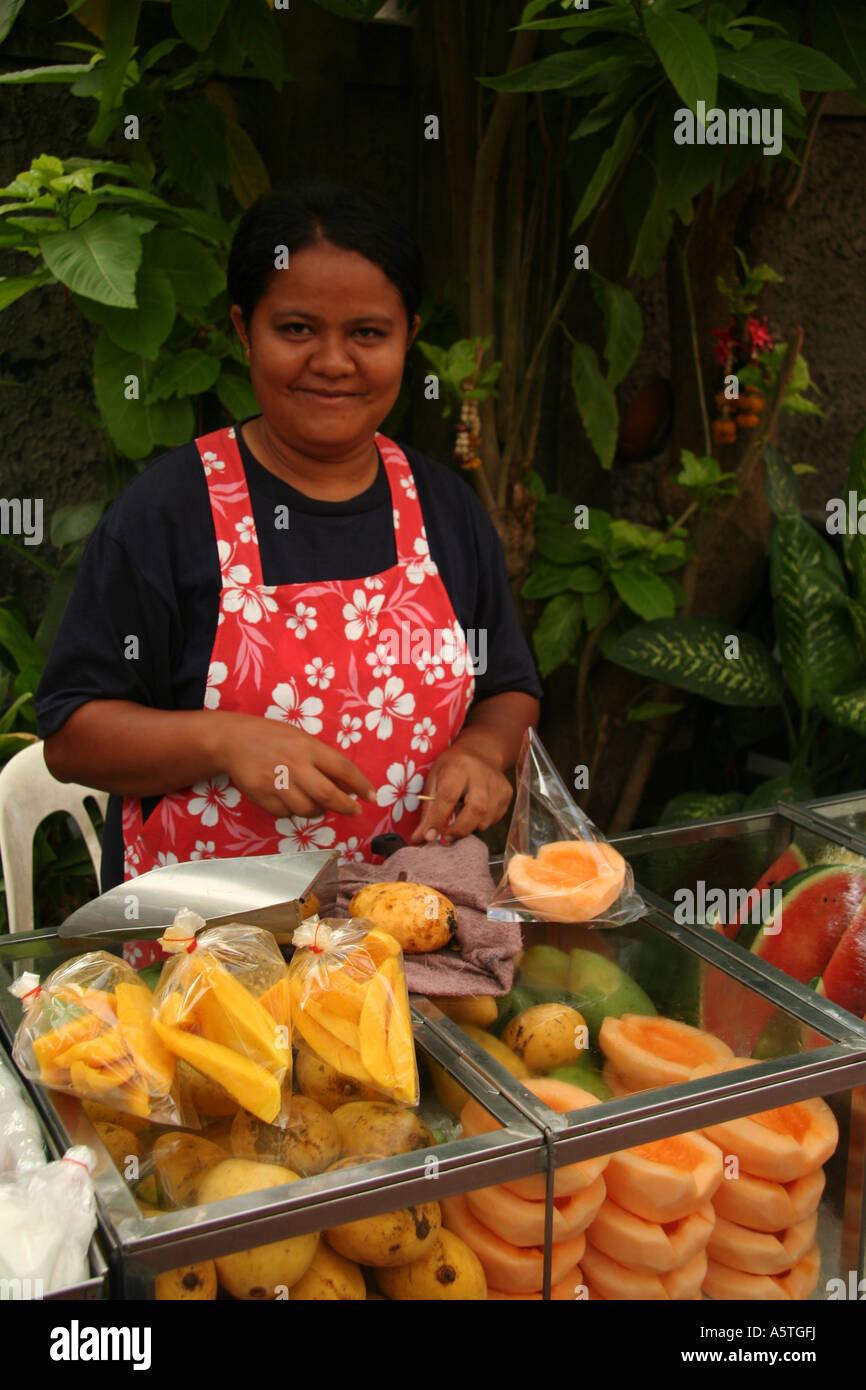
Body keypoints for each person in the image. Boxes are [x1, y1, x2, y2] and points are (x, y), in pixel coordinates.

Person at [36, 177, 542, 896]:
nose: (333, 362)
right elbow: (71, 735)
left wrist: (485, 752)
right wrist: (224, 737)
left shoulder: (443, 509)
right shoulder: (168, 515)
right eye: (297, 329)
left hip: (407, 939)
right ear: (245, 330)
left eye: (368, 333)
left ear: (410, 337)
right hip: (207, 961)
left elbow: (509, 688)